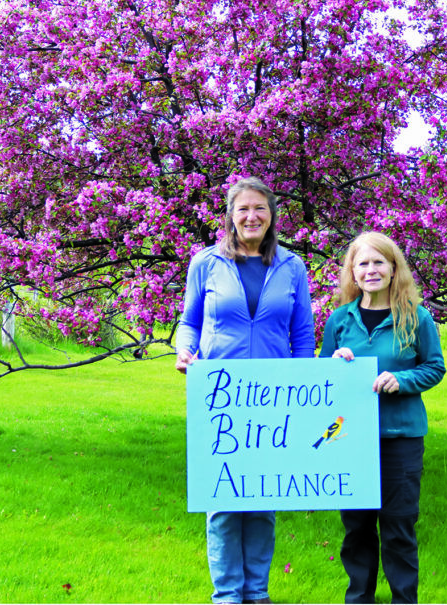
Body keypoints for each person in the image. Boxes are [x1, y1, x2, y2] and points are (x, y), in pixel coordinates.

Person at [176, 176, 316, 605]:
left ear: (272, 215)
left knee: (262, 500)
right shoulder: (206, 262)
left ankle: (257, 593)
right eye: (243, 209)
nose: (251, 216)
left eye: (260, 208)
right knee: (222, 503)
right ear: (231, 217)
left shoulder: (292, 266)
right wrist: (184, 352)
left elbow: (303, 334)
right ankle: (227, 596)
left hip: (274, 400)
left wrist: (304, 390)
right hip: (221, 397)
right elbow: (189, 322)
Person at [319, 231, 445, 604]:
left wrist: (402, 379)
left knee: (397, 528)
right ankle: (359, 599)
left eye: (379, 262)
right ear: (352, 273)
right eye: (363, 263)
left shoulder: (417, 318)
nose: (371, 270)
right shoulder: (339, 320)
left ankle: (404, 600)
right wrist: (335, 365)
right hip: (350, 440)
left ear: (393, 269)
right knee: (356, 528)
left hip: (399, 439)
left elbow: (434, 367)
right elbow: (322, 377)